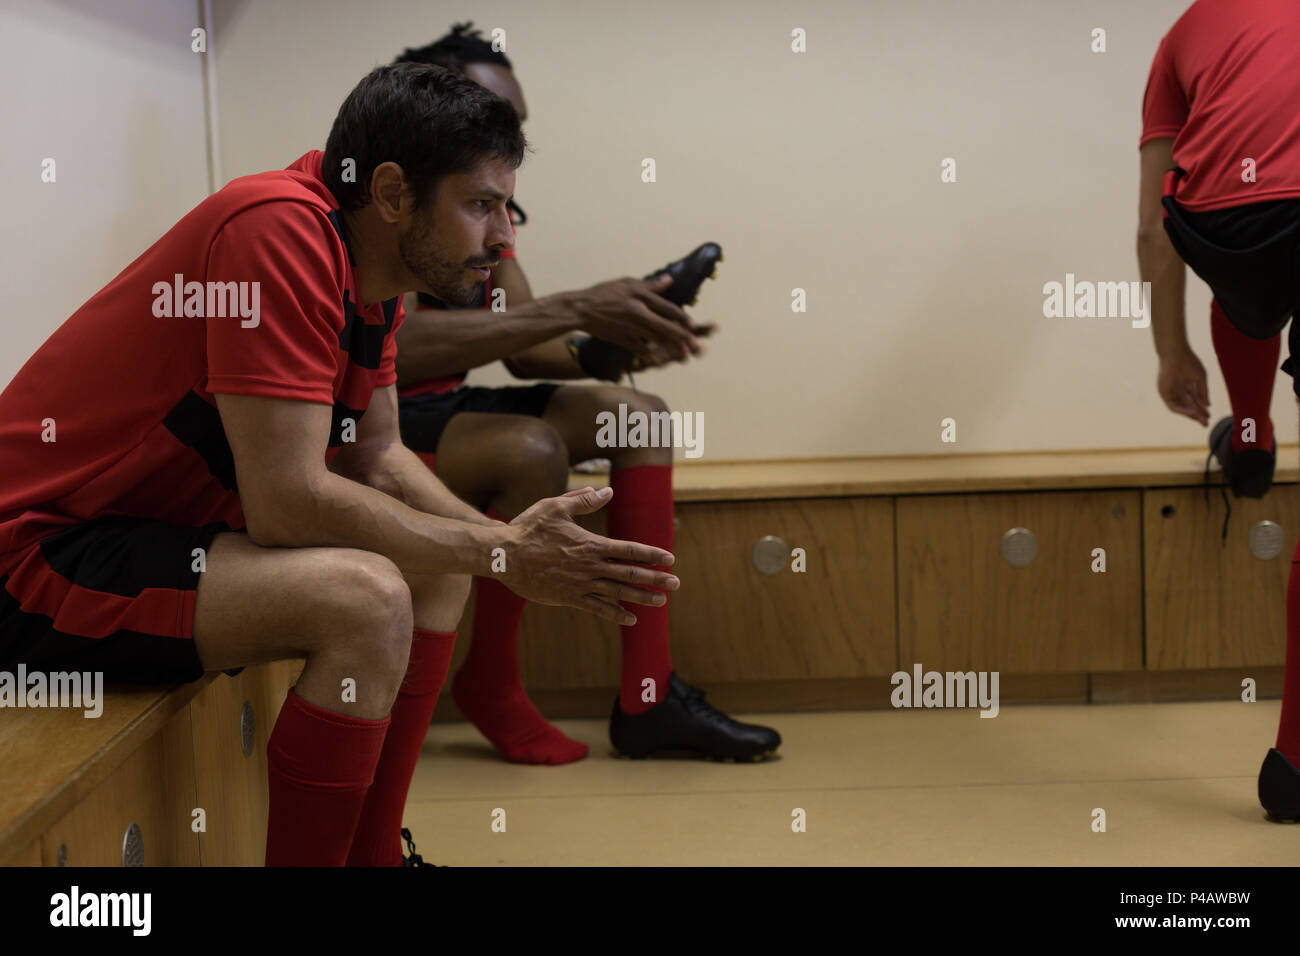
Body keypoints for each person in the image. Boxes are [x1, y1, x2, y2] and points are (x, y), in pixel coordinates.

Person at [0, 62, 679, 866]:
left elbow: (376, 454)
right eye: (481, 205)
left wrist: (517, 545)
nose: (504, 238)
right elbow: (288, 503)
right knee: (364, 599)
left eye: (506, 206)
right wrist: (503, 551)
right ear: (393, 193)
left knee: (438, 567)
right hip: (35, 557)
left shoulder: (372, 263)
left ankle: (376, 856)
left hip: (137, 538)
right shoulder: (274, 231)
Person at [390, 24, 782, 765]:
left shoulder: (485, 203)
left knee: (636, 417)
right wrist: (574, 309)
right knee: (529, 448)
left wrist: (614, 341)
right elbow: (399, 352)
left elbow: (525, 344)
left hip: (444, 409)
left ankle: (649, 697)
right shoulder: (394, 203)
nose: (512, 140)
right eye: (494, 115)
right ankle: (491, 681)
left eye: (518, 126)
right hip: (376, 422)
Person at [1138, 0, 1300, 820]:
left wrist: (1171, 353)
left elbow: (1151, 233)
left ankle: (1251, 432)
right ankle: (1294, 766)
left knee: (1249, 300)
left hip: (1231, 228)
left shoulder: (1184, 34)